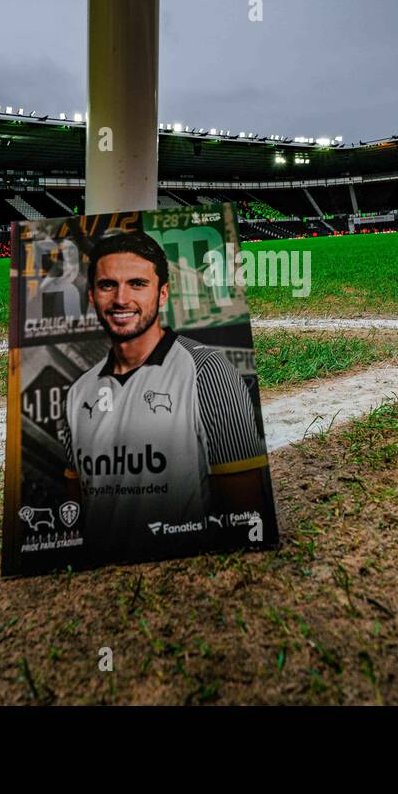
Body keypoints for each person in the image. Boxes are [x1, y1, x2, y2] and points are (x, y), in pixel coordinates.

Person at [59, 230, 270, 559]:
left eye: (137, 284)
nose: (120, 299)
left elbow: (247, 516)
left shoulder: (208, 371)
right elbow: (75, 511)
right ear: (91, 297)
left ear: (162, 294)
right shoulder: (78, 393)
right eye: (107, 285)